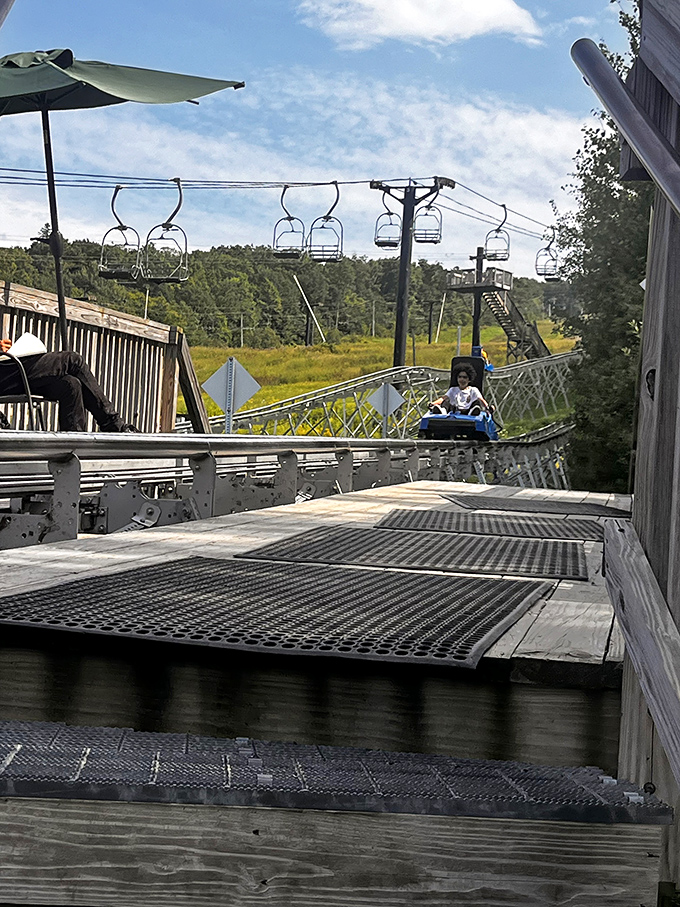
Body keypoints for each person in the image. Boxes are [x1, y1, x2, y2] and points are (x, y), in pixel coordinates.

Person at [0, 339, 138, 432]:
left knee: (70, 384)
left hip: (9, 371)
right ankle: (113, 424)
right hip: (5, 375)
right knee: (72, 360)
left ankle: (73, 443)